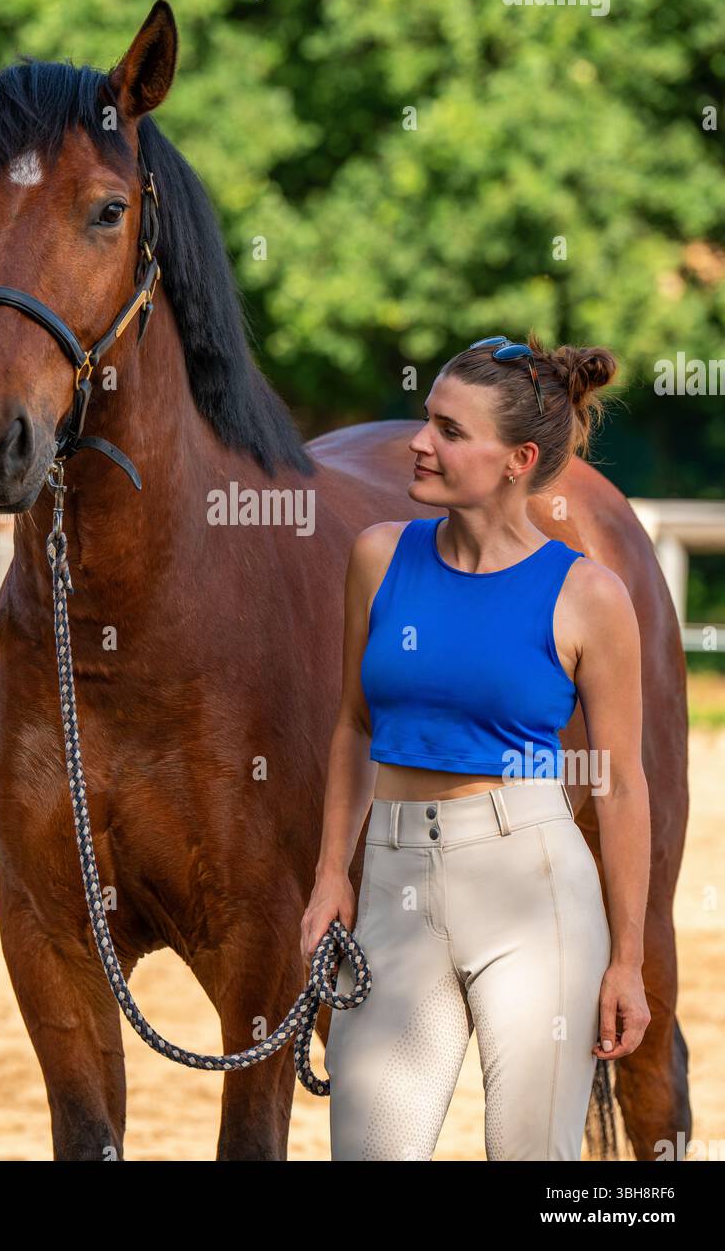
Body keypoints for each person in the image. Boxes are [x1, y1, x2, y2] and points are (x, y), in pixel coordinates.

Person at [301, 333, 651, 1161]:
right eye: (429, 421)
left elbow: (623, 784)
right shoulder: (380, 556)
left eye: (451, 432)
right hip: (390, 886)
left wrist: (627, 960)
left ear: (517, 460)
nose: (420, 442)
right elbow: (353, 724)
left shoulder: (588, 595)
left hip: (533, 891)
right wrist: (328, 875)